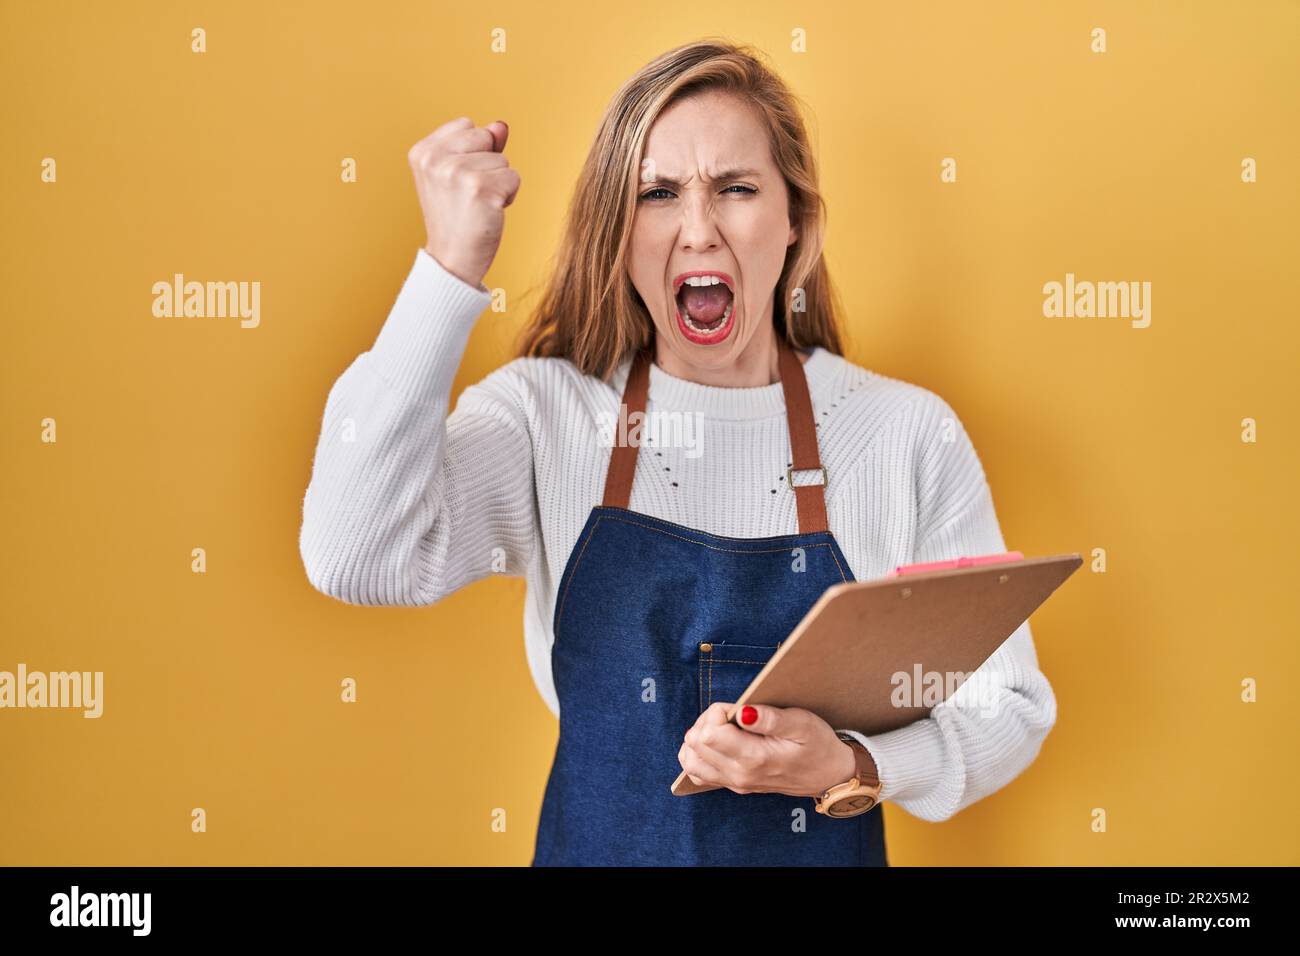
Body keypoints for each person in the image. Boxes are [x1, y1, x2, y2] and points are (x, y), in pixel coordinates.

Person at [299, 39, 1057, 866]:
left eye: (736, 188)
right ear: (618, 234)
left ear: (796, 219)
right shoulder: (547, 414)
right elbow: (354, 555)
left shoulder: (903, 433)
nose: (698, 229)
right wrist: (448, 271)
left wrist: (854, 763)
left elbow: (1007, 704)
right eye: (657, 194)